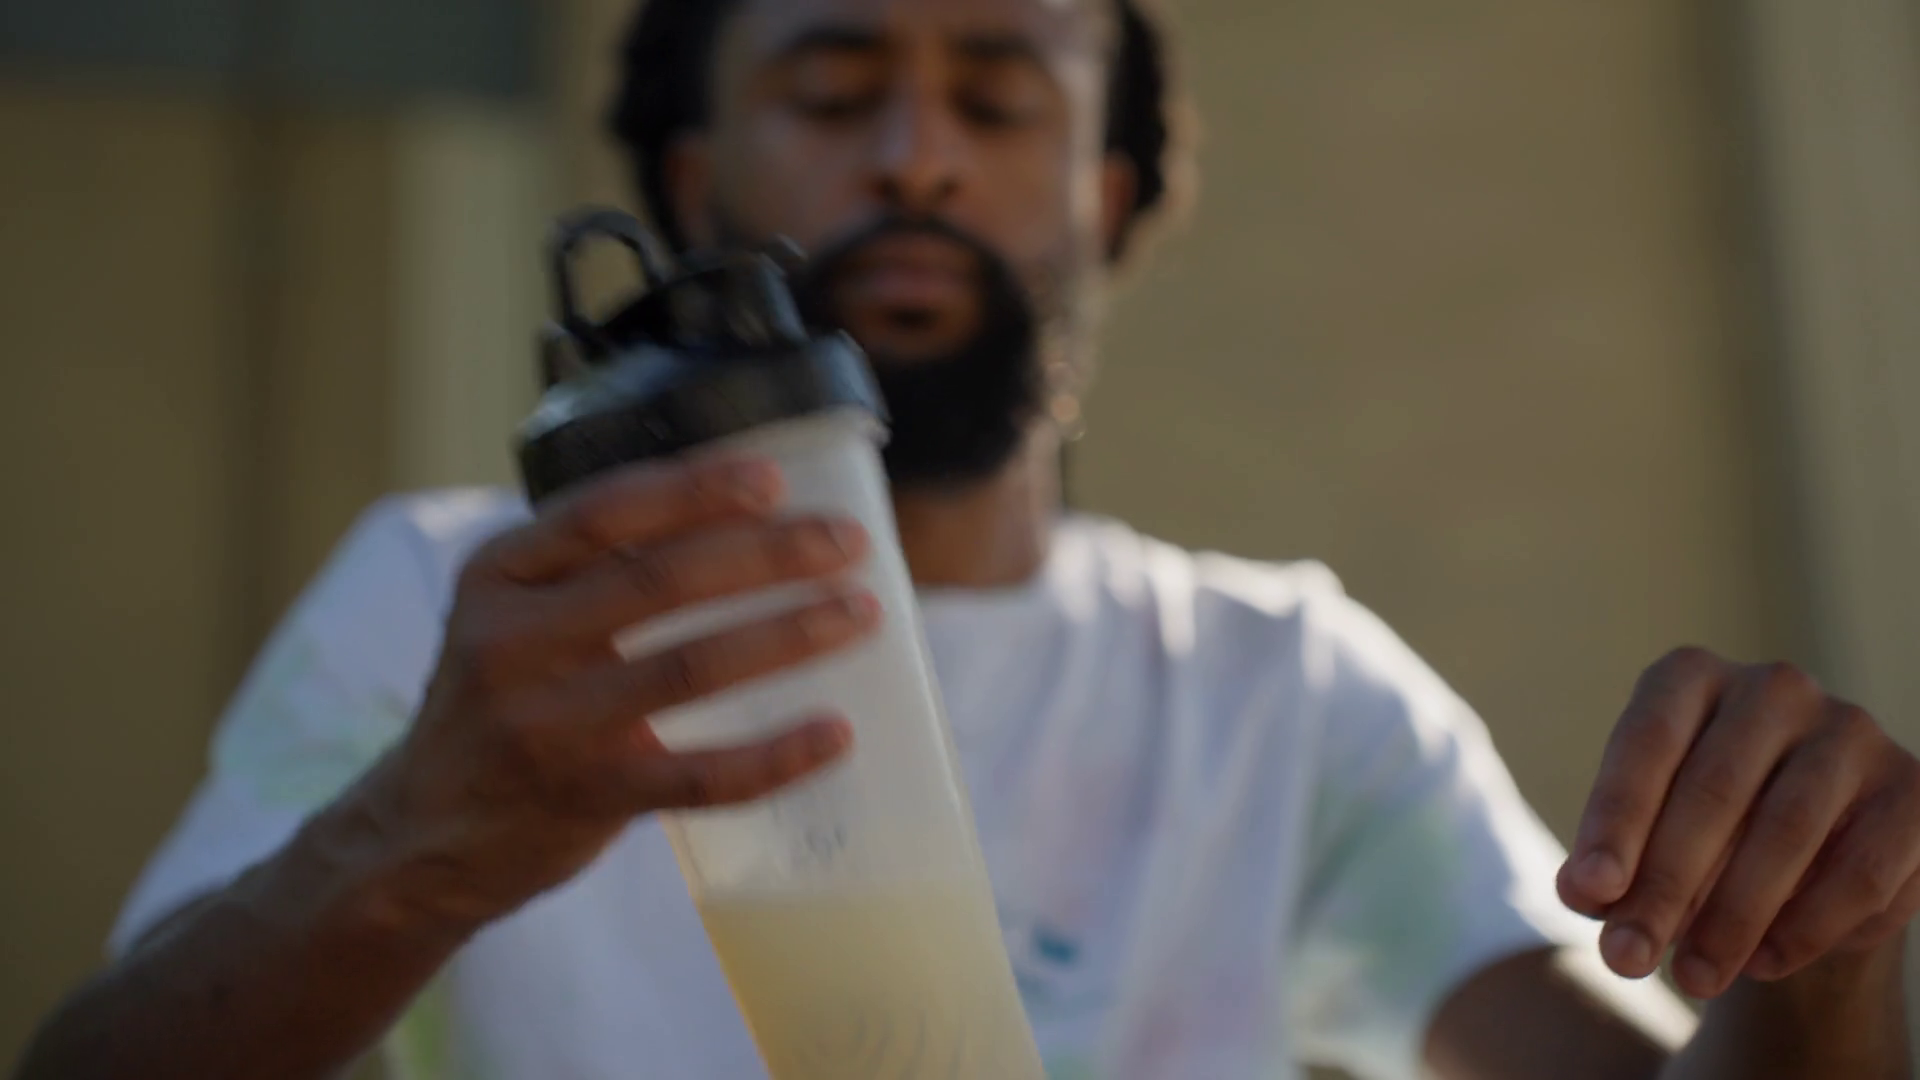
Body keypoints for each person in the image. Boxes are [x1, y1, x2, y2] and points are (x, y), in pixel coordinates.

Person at [17, 1, 1920, 1077]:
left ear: (1104, 191)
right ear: (693, 178)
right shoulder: (462, 605)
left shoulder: (1281, 685)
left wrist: (1817, 965)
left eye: (995, 95)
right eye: (835, 90)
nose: (915, 152)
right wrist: (419, 840)